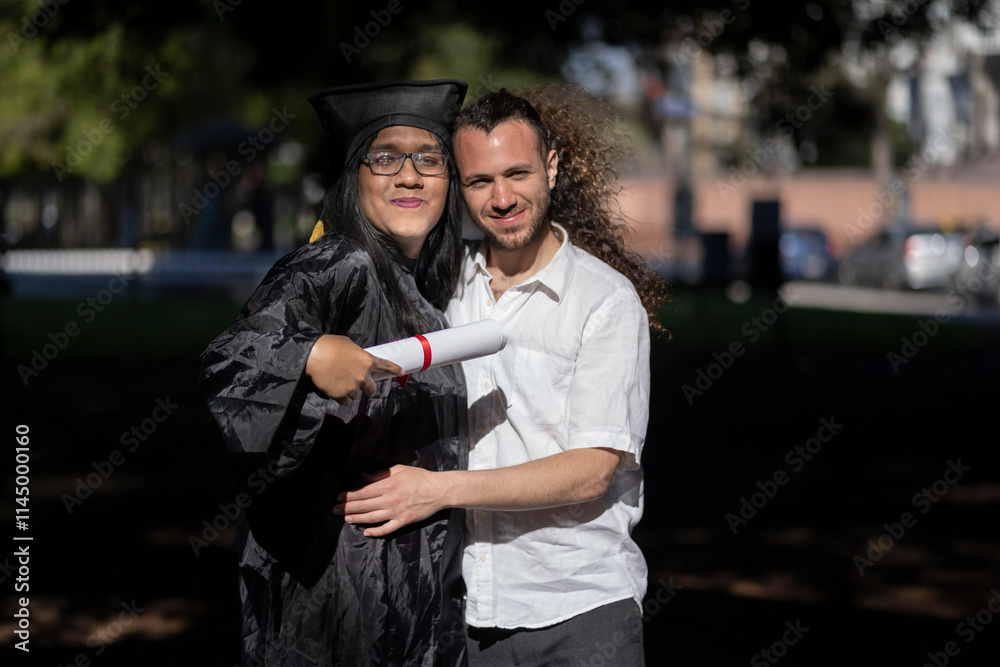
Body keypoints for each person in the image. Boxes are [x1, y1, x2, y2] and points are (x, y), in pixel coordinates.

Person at [334, 85, 667, 665]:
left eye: (518, 173)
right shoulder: (440, 285)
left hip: (579, 614)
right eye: (480, 182)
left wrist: (433, 492)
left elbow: (592, 470)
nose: (503, 198)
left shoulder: (604, 301)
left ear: (553, 167)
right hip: (459, 616)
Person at [199, 78, 470, 666]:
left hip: (416, 608)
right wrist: (311, 353)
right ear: (355, 177)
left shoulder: (426, 293)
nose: (409, 176)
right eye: (385, 157)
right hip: (327, 607)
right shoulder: (338, 262)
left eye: (430, 159)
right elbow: (228, 364)